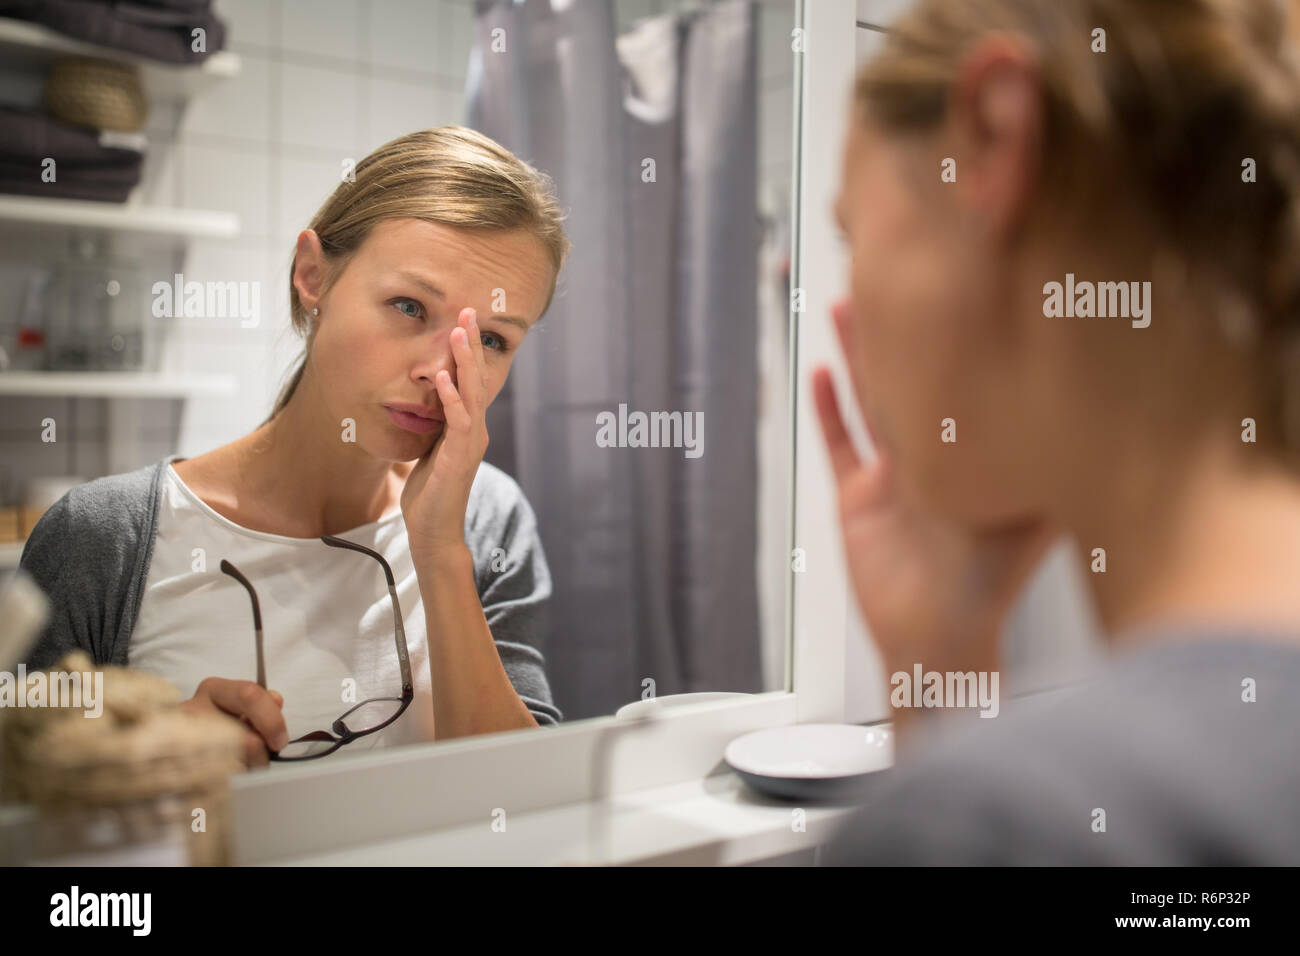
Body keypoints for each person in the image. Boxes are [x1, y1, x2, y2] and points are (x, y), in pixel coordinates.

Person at [817, 0, 1300, 864]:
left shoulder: (1013, 823)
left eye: (852, 231)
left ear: (997, 136)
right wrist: (943, 653)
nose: (846, 307)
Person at [19, 127, 570, 768]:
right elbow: (19, 799)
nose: (440, 372)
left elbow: (522, 797)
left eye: (493, 341)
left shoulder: (489, 518)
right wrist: (148, 748)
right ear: (313, 276)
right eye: (409, 306)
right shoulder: (102, 538)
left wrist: (441, 553)